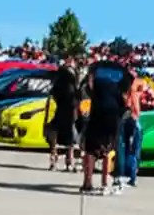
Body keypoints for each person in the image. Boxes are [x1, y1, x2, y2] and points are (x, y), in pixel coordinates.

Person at [82, 56, 133, 194]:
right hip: (113, 113)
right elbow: (125, 94)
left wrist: (96, 96)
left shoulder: (96, 68)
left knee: (91, 149)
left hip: (97, 111)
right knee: (108, 148)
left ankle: (88, 182)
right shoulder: (122, 72)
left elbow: (89, 86)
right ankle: (105, 182)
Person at [113, 68, 146, 191]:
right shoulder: (137, 86)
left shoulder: (123, 88)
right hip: (133, 117)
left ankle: (121, 174)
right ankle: (131, 176)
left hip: (125, 116)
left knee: (122, 147)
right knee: (132, 148)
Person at [45, 61, 81, 172]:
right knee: (69, 136)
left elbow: (52, 97)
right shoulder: (72, 87)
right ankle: (68, 161)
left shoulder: (58, 85)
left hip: (61, 110)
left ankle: (55, 160)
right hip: (68, 111)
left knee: (56, 134)